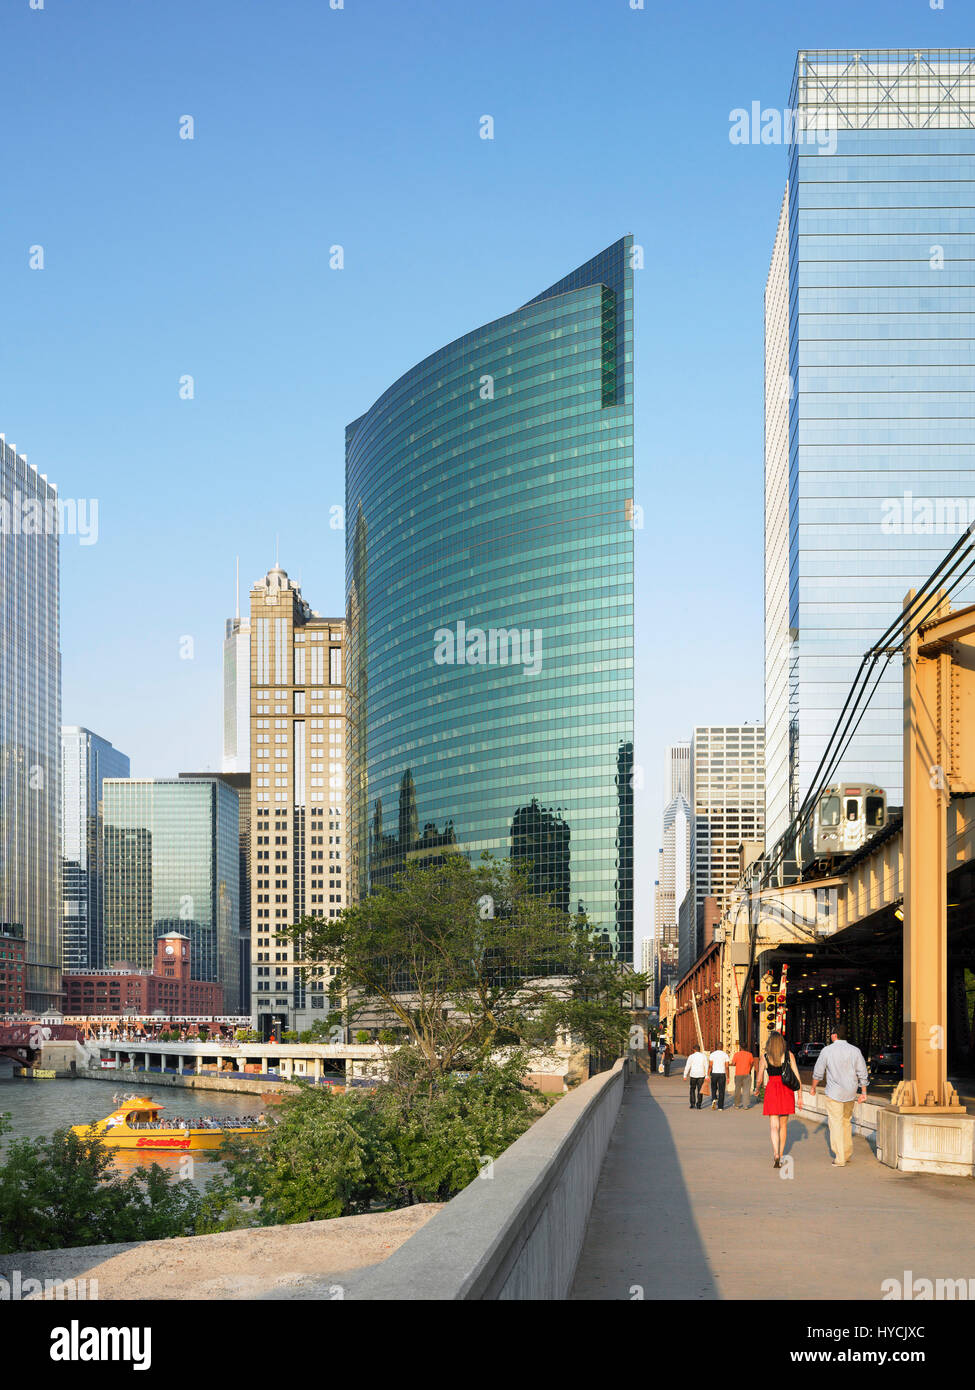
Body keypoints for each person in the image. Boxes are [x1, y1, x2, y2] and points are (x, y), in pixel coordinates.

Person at [810, 1023, 868, 1167]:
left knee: (835, 1124)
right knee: (846, 1122)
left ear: (835, 1035)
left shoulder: (827, 1051)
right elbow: (862, 1073)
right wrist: (864, 1093)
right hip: (850, 1093)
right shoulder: (855, 1051)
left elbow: (818, 1071)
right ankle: (847, 1153)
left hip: (834, 1093)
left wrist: (813, 1087)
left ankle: (840, 1157)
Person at [756, 1030, 802, 1168]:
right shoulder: (789, 1055)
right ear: (782, 1043)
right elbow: (797, 1077)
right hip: (786, 1090)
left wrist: (757, 1089)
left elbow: (759, 1078)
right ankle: (781, 1156)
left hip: (772, 1090)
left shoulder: (765, 1057)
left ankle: (775, 1153)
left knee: (773, 1126)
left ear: (769, 1044)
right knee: (783, 1126)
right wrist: (800, 1096)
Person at [730, 1041, 756, 1109]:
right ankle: (745, 1105)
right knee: (746, 1090)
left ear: (740, 1047)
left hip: (738, 1074)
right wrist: (749, 1069)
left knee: (737, 1090)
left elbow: (733, 1063)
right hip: (747, 1074)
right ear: (746, 1047)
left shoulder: (736, 1054)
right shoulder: (749, 1054)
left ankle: (737, 1104)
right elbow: (752, 1063)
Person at [708, 1044, 731, 1110]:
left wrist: (708, 1074)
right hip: (722, 1074)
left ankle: (714, 1098)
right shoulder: (725, 1055)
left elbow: (710, 1065)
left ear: (716, 1047)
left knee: (713, 1088)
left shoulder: (712, 1054)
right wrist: (728, 1077)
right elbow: (727, 1067)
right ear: (722, 1047)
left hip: (714, 1073)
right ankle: (720, 1107)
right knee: (721, 1090)